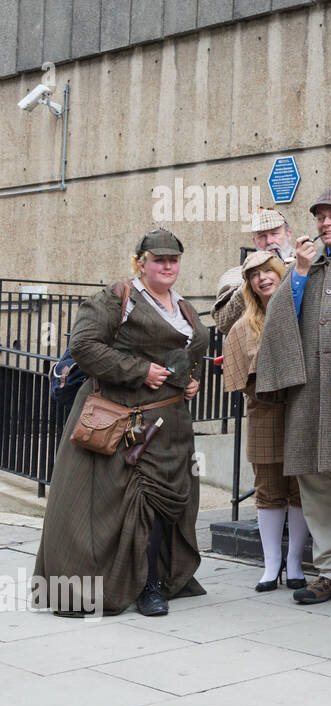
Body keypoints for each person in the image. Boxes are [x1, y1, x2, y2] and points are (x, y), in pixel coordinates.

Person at [35, 229, 207, 617]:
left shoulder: (184, 307)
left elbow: (184, 354)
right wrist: (139, 370)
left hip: (171, 420)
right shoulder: (117, 298)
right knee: (122, 505)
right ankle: (144, 589)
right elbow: (83, 344)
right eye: (158, 259)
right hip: (122, 417)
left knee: (165, 504)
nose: (167, 266)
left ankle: (158, 579)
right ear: (141, 262)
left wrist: (190, 381)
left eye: (173, 260)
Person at [255, 188, 331, 606]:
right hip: (309, 392)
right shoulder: (306, 264)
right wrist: (300, 274)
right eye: (320, 217)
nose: (326, 223)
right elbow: (278, 322)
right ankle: (328, 571)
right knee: (314, 480)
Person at [220, 250, 309, 591]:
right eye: (253, 275)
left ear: (279, 271)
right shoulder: (243, 325)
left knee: (300, 488)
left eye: (266, 270)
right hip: (263, 410)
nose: (261, 278)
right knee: (268, 488)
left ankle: (295, 562)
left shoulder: (302, 308)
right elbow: (240, 374)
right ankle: (271, 565)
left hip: (300, 406)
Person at [212, 207, 295, 334]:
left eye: (275, 233)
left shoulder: (307, 265)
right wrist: (250, 283)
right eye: (262, 236)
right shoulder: (235, 276)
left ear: (288, 234)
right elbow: (223, 324)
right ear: (254, 241)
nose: (269, 241)